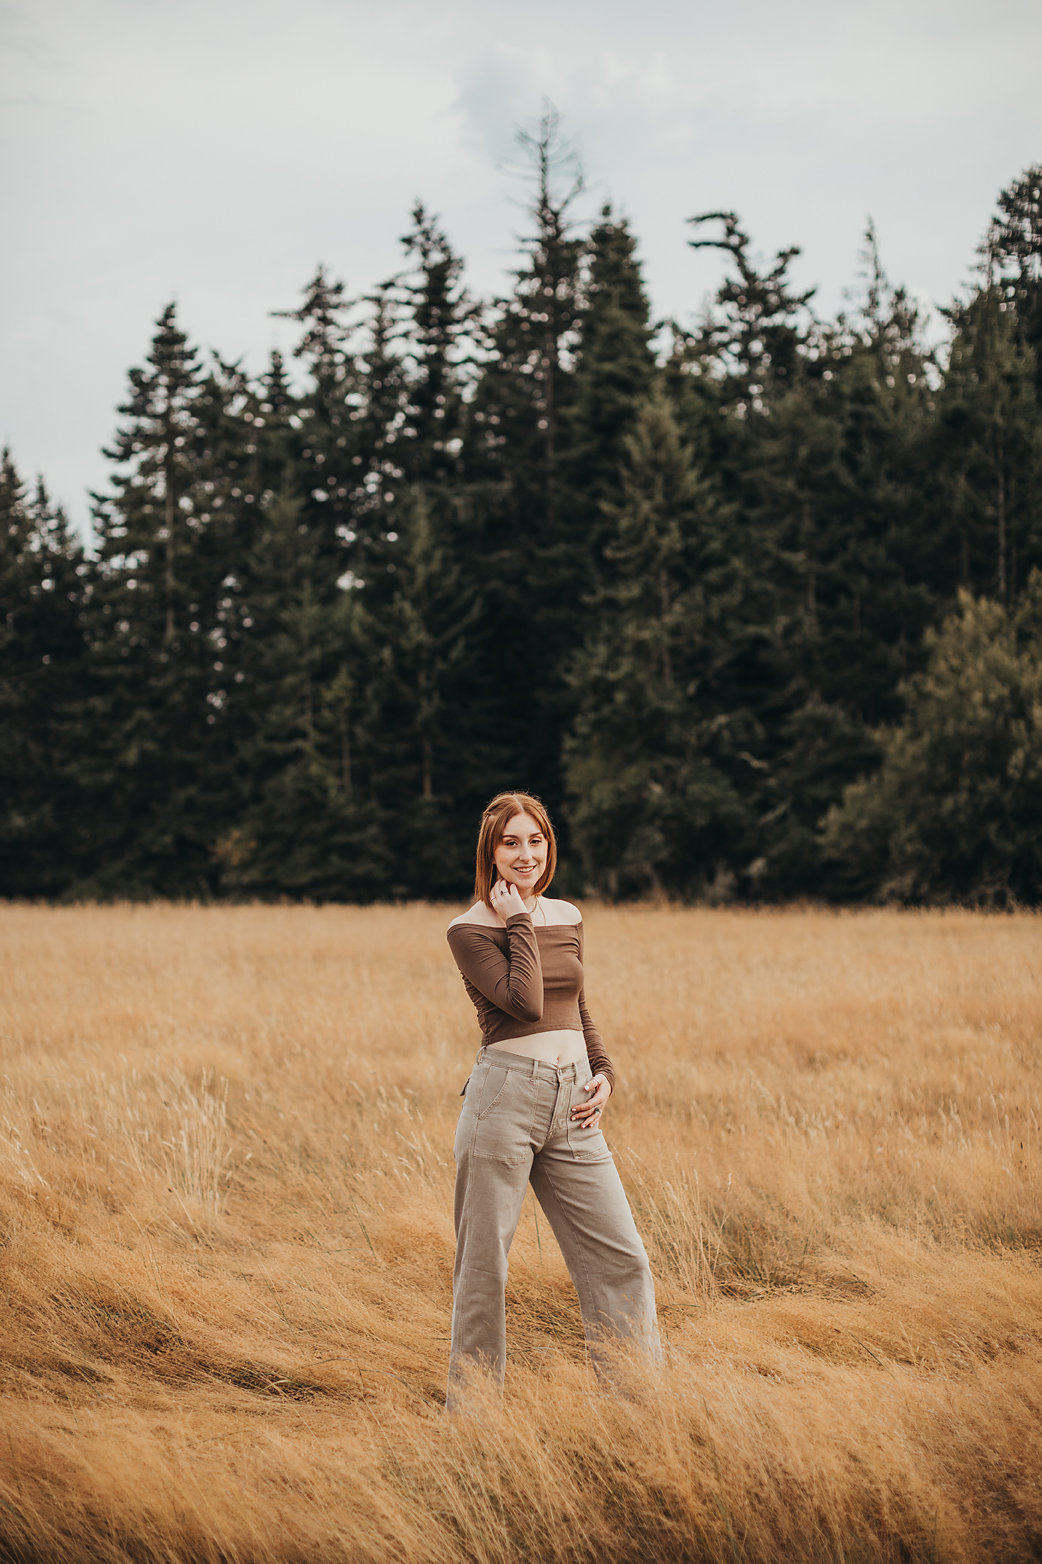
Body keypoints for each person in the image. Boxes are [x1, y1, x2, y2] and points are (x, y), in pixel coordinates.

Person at [445, 789, 661, 1411]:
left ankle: (637, 1411)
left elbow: (575, 1004)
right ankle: (475, 1420)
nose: (526, 854)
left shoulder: (568, 914)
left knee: (623, 1259)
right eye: (510, 842)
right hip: (503, 1101)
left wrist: (605, 1069)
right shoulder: (468, 930)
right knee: (484, 1270)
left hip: (574, 1105)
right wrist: (517, 921)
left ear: (549, 846)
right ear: (490, 850)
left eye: (535, 840)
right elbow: (526, 1002)